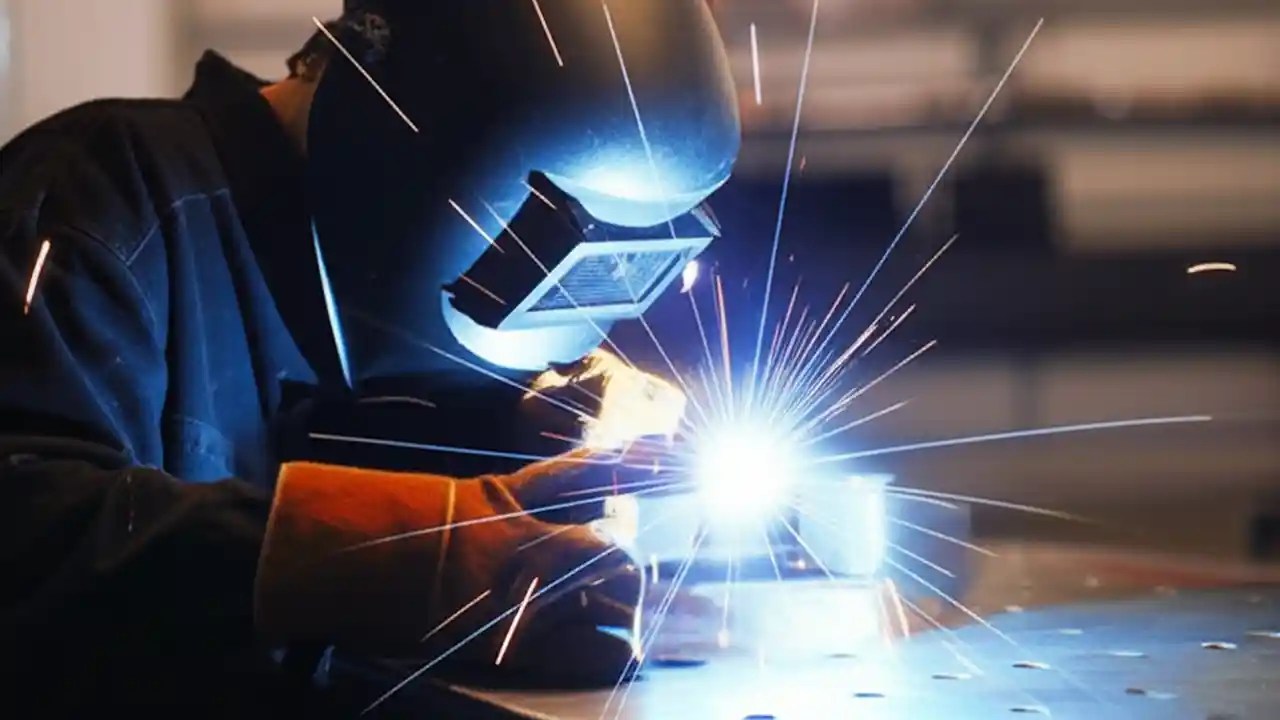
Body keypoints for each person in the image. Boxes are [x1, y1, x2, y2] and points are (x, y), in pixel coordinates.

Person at [0, 1, 739, 716]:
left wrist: (515, 443)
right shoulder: (99, 192)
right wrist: (422, 556)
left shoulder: (391, 268)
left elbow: (335, 444)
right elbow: (32, 529)